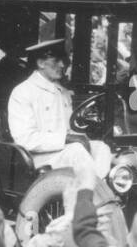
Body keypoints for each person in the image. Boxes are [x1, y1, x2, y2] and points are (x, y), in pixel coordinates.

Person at [7, 38, 112, 178]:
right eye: (56, 60)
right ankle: (97, 191)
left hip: (63, 151)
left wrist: (80, 135)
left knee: (101, 148)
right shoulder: (22, 92)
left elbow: (70, 127)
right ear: (40, 63)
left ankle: (98, 188)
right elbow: (25, 139)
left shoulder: (62, 92)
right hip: (39, 157)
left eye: (62, 60)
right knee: (76, 150)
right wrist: (67, 139)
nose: (63, 65)